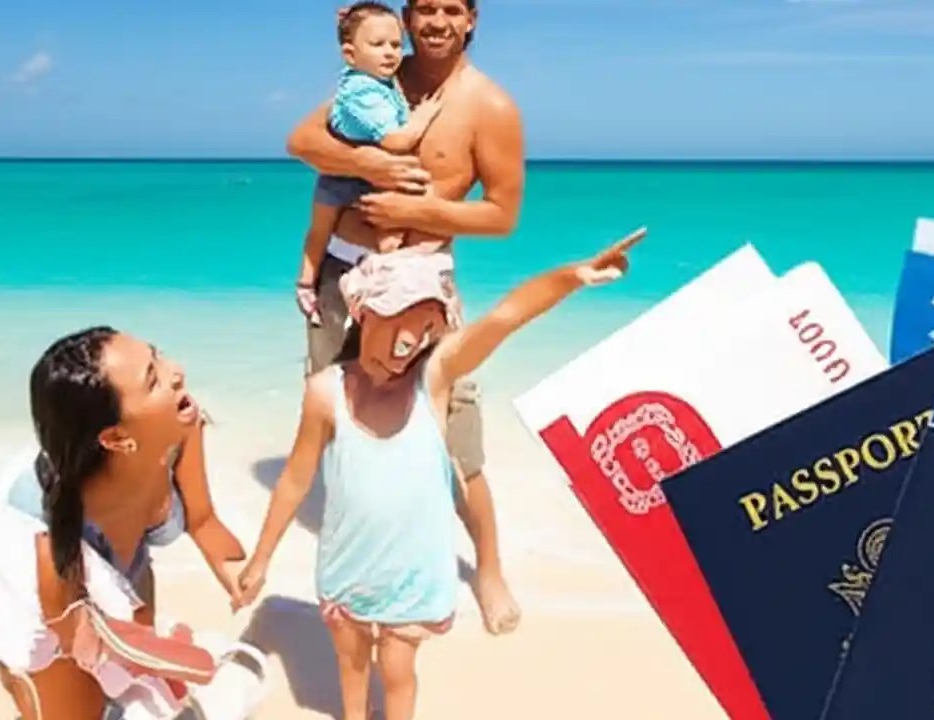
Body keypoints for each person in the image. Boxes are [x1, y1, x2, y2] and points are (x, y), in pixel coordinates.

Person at [236, 228, 645, 720]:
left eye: (425, 328)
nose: (407, 343)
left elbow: (505, 318)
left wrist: (573, 276)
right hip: (346, 569)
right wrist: (260, 559)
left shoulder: (433, 381)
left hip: (411, 579)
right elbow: (295, 480)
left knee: (398, 670)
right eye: (396, 323)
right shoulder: (326, 392)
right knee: (350, 663)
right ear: (362, 313)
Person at [285, 0, 526, 635]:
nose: (436, 22)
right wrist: (365, 162)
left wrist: (418, 214)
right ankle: (366, 558)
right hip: (342, 280)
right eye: (425, 9)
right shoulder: (378, 75)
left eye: (451, 9)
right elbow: (301, 142)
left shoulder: (488, 105)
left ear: (472, 20)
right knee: (343, 426)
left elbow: (502, 214)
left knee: (456, 441)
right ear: (408, 16)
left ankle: (489, 570)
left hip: (419, 286)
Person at [0, 327, 249, 718]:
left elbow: (202, 521)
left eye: (158, 355)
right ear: (116, 438)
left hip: (129, 577)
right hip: (56, 618)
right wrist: (178, 658)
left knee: (136, 688)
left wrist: (244, 577)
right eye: (153, 379)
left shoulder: (178, 428)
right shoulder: (40, 535)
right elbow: (72, 632)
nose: (176, 371)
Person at [296, 1, 447, 326]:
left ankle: (326, 284)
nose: (390, 53)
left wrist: (361, 21)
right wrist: (425, 116)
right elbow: (396, 140)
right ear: (350, 55)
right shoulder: (361, 91)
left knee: (327, 232)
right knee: (331, 233)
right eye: (378, 45)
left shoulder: (376, 78)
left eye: (396, 44)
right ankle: (310, 284)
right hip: (343, 179)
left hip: (357, 179)